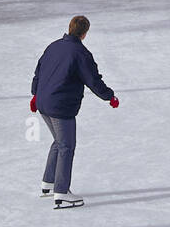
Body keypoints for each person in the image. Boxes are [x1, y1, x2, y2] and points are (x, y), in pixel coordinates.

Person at [30, 15, 118, 208]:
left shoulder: (53, 46)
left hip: (44, 103)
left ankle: (49, 181)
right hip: (60, 106)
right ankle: (61, 192)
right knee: (66, 146)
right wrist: (110, 96)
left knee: (59, 142)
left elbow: (39, 71)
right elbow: (93, 81)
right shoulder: (80, 53)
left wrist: (35, 95)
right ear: (84, 34)